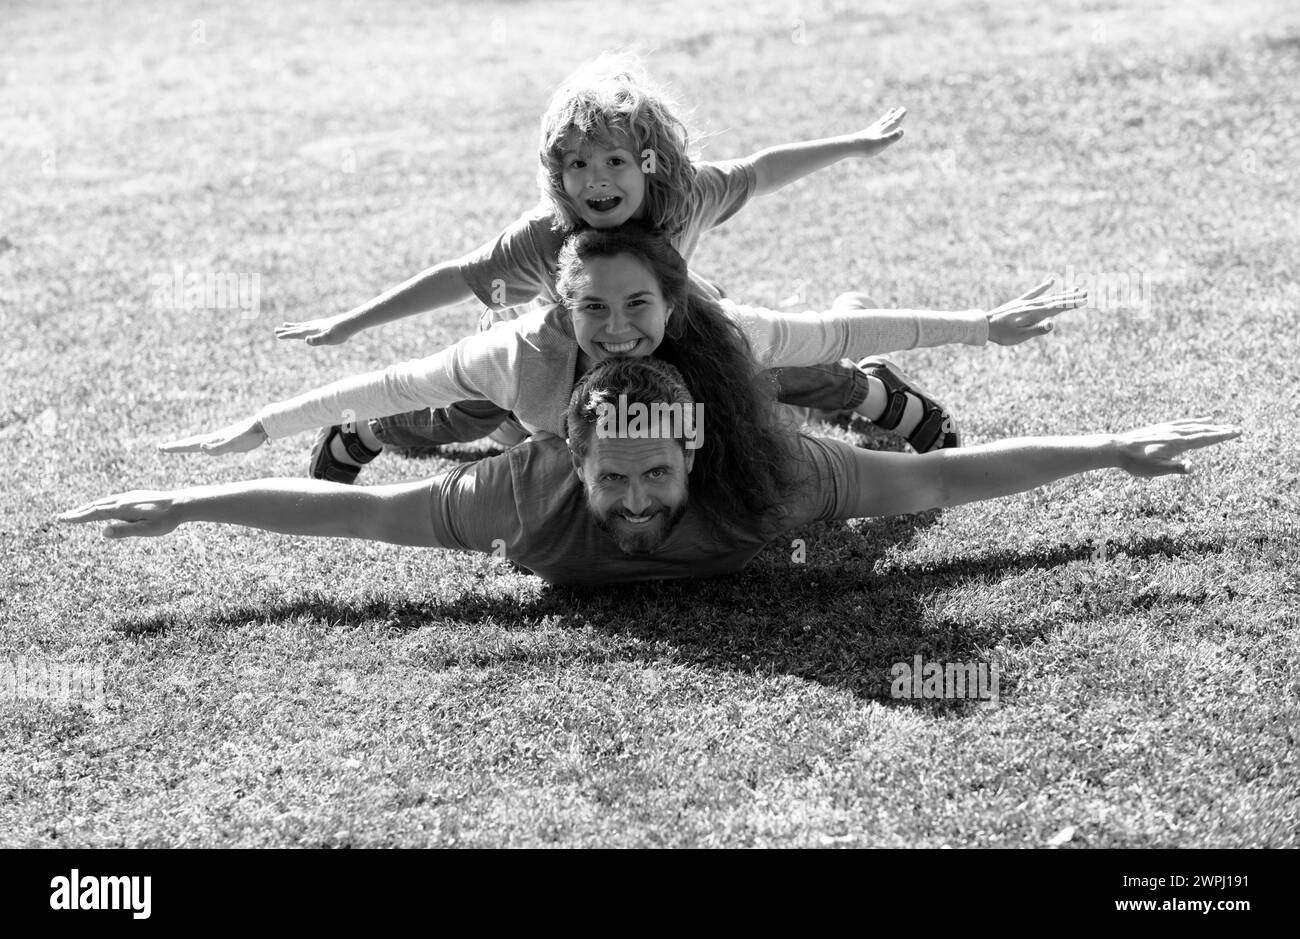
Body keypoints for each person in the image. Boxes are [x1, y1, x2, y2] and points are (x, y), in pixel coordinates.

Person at [269, 53, 929, 465]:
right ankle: (368, 431)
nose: (596, 180)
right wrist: (352, 322)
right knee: (474, 407)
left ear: (651, 161)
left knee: (758, 366)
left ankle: (879, 394)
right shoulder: (544, 235)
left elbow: (761, 169)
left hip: (669, 326)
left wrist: (853, 145)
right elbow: (458, 277)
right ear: (558, 176)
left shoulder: (687, 194)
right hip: (559, 357)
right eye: (576, 165)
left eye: (615, 160)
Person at [61, 358, 1240, 586]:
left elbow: (938, 486)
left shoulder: (767, 479)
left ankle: (868, 385)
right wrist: (192, 505)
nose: (630, 500)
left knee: (824, 419)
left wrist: (1104, 451)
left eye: (650, 477)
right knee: (474, 390)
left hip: (751, 406)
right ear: (570, 456)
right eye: (609, 477)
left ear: (692, 454)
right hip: (546, 386)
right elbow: (358, 526)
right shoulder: (524, 488)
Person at [158, 223, 1085, 505]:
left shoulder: (710, 325)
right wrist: (258, 426)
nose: (616, 326)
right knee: (463, 412)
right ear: (563, 302)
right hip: (547, 421)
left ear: (672, 301)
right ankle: (356, 442)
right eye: (594, 306)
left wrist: (979, 327)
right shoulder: (526, 348)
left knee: (777, 384)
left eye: (638, 304)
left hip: (704, 403)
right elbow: (404, 377)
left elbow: (830, 334)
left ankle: (887, 403)